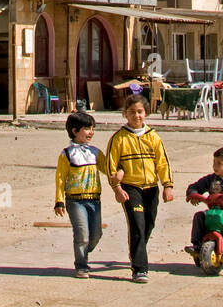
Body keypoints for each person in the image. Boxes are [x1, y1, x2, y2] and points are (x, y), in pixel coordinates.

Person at [105, 94, 173, 283]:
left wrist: (167, 185)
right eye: (132, 112)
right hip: (130, 188)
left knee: (148, 225)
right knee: (137, 225)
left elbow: (162, 163)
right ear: (125, 114)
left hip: (151, 188)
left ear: (146, 113)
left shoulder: (153, 137)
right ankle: (140, 269)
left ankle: (138, 250)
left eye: (140, 112)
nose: (137, 116)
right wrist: (117, 188)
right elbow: (111, 165)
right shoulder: (119, 138)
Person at [54, 110, 106, 278]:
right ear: (75, 131)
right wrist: (59, 201)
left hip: (94, 200)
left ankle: (83, 250)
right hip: (75, 201)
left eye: (92, 128)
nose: (91, 132)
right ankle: (81, 265)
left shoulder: (96, 152)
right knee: (82, 233)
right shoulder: (66, 154)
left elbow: (108, 169)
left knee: (96, 234)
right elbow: (60, 179)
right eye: (87, 128)